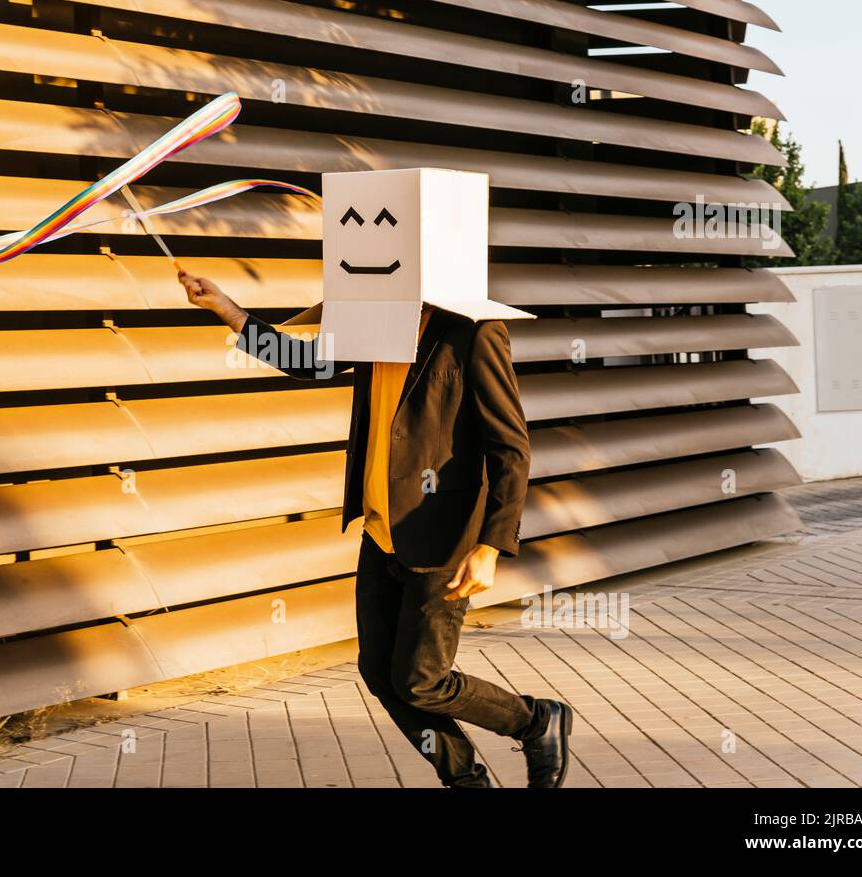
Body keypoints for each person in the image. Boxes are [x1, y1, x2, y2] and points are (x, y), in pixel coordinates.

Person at [178, 268, 573, 788]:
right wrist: (228, 311)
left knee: (422, 682)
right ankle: (465, 780)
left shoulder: (474, 330)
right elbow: (311, 364)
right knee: (380, 671)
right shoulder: (372, 321)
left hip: (444, 535)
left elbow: (511, 447)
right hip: (382, 529)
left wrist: (492, 545)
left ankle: (535, 720)